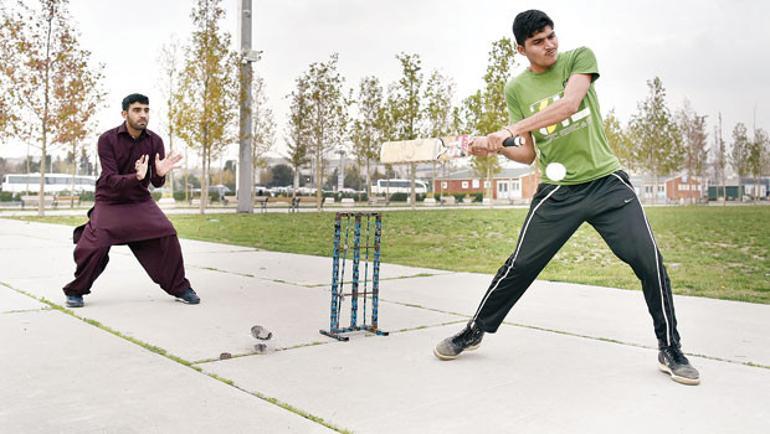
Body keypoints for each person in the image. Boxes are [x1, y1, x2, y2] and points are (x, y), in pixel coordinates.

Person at [433, 10, 699, 385]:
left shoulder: (578, 59)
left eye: (551, 36)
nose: (549, 45)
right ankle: (475, 329)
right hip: (558, 192)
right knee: (520, 266)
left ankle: (670, 348)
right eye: (538, 42)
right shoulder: (517, 89)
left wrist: (509, 129)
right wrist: (495, 147)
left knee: (649, 261)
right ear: (521, 49)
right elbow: (526, 154)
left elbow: (570, 104)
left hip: (607, 183)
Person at [62, 93, 200, 307]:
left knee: (167, 232)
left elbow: (156, 181)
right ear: (125, 113)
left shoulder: (155, 141)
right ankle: (76, 290)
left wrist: (160, 173)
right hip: (110, 200)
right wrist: (135, 177)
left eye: (146, 110)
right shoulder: (107, 139)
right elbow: (109, 179)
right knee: (96, 245)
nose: (142, 115)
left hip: (139, 200)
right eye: (137, 110)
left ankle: (180, 286)